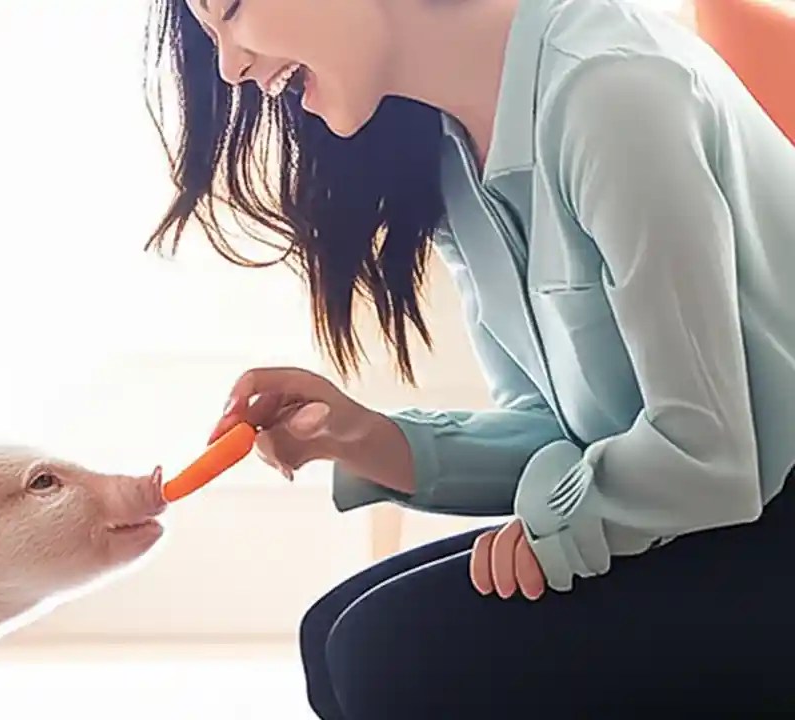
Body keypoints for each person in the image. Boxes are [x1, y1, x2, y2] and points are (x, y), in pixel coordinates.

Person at [142, 0, 795, 716]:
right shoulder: (455, 148)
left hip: (760, 506)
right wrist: (364, 437)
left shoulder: (612, 90)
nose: (231, 66)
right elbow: (561, 427)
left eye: (230, 11)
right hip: (726, 513)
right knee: (334, 632)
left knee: (389, 653)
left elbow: (710, 455)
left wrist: (558, 527)